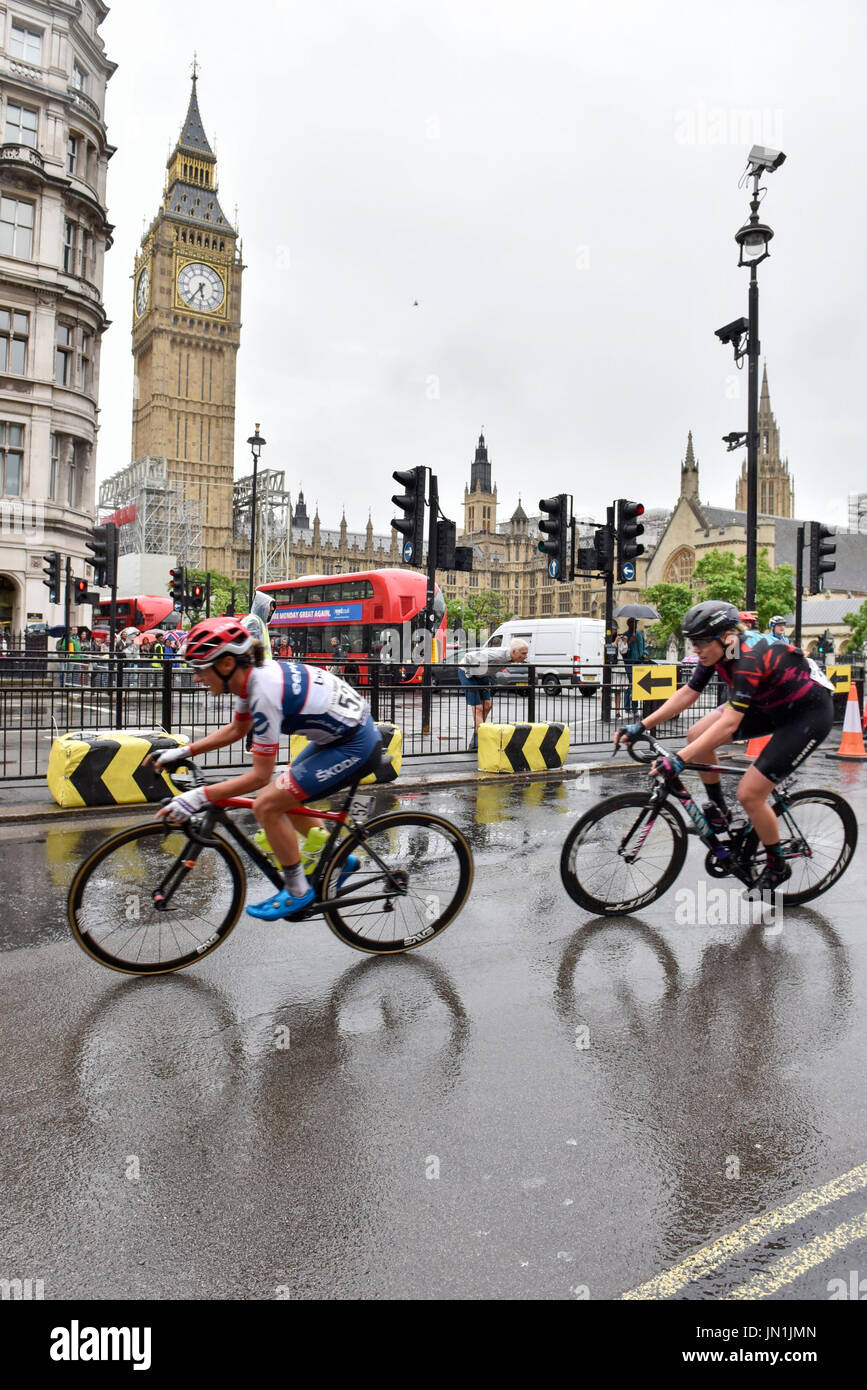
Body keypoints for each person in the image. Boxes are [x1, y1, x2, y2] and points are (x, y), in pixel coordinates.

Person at [146, 616, 383, 920]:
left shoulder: (264, 692)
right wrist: (181, 751)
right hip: (340, 735)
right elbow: (236, 729)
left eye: (201, 669)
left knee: (267, 804)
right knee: (283, 794)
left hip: (355, 743)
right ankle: (340, 857)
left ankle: (298, 891)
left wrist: (198, 797)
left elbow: (259, 775)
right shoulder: (253, 679)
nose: (197, 678)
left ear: (227, 664)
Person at [615, 600, 835, 893]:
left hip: (806, 715)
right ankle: (720, 809)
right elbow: (688, 693)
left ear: (727, 636)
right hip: (768, 705)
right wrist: (642, 725)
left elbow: (730, 724)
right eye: (693, 641)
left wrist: (679, 760)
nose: (696, 648)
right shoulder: (718, 653)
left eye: (702, 641)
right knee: (697, 735)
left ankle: (776, 864)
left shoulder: (749, 658)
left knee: (750, 794)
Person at [459, 638, 529, 751]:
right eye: (523, 654)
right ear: (514, 652)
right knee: (478, 708)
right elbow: (468, 657)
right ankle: (481, 741)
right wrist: (469, 675)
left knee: (487, 706)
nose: (525, 656)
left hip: (481, 675)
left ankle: (476, 739)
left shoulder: (511, 656)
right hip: (468, 673)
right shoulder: (495, 655)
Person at [621, 618, 647, 715]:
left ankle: (634, 707)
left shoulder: (639, 634)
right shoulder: (625, 635)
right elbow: (623, 651)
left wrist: (645, 653)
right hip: (629, 663)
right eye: (633, 623)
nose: (635, 625)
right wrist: (629, 642)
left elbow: (644, 646)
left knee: (637, 685)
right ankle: (628, 707)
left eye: (636, 623)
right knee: (630, 685)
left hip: (639, 662)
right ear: (629, 624)